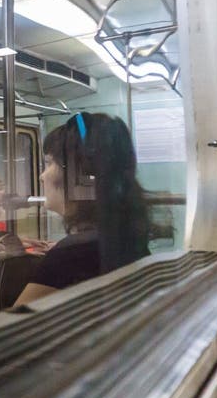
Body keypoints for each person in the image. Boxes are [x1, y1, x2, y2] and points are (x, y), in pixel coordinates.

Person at [14, 113, 150, 307]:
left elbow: (11, 331)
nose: (42, 176)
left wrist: (62, 254)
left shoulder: (73, 253)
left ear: (80, 177)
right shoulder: (121, 237)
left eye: (50, 163)